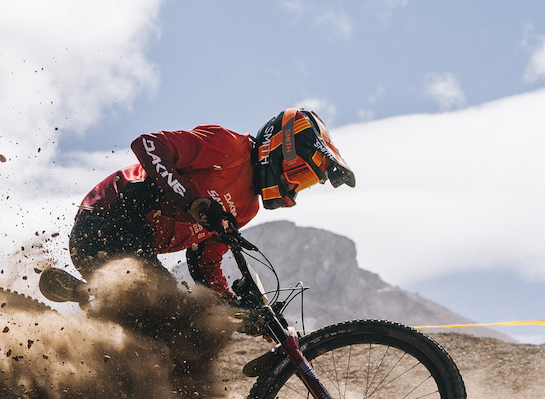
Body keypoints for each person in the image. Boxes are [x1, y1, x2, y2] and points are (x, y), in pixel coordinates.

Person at [38, 108, 355, 309]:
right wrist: (190, 201)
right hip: (108, 221)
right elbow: (148, 145)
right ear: (280, 148)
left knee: (178, 333)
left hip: (133, 252)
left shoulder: (247, 209)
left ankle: (89, 310)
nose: (295, 186)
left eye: (306, 183)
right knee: (167, 308)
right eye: (299, 174)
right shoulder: (229, 146)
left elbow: (205, 262)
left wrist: (232, 307)